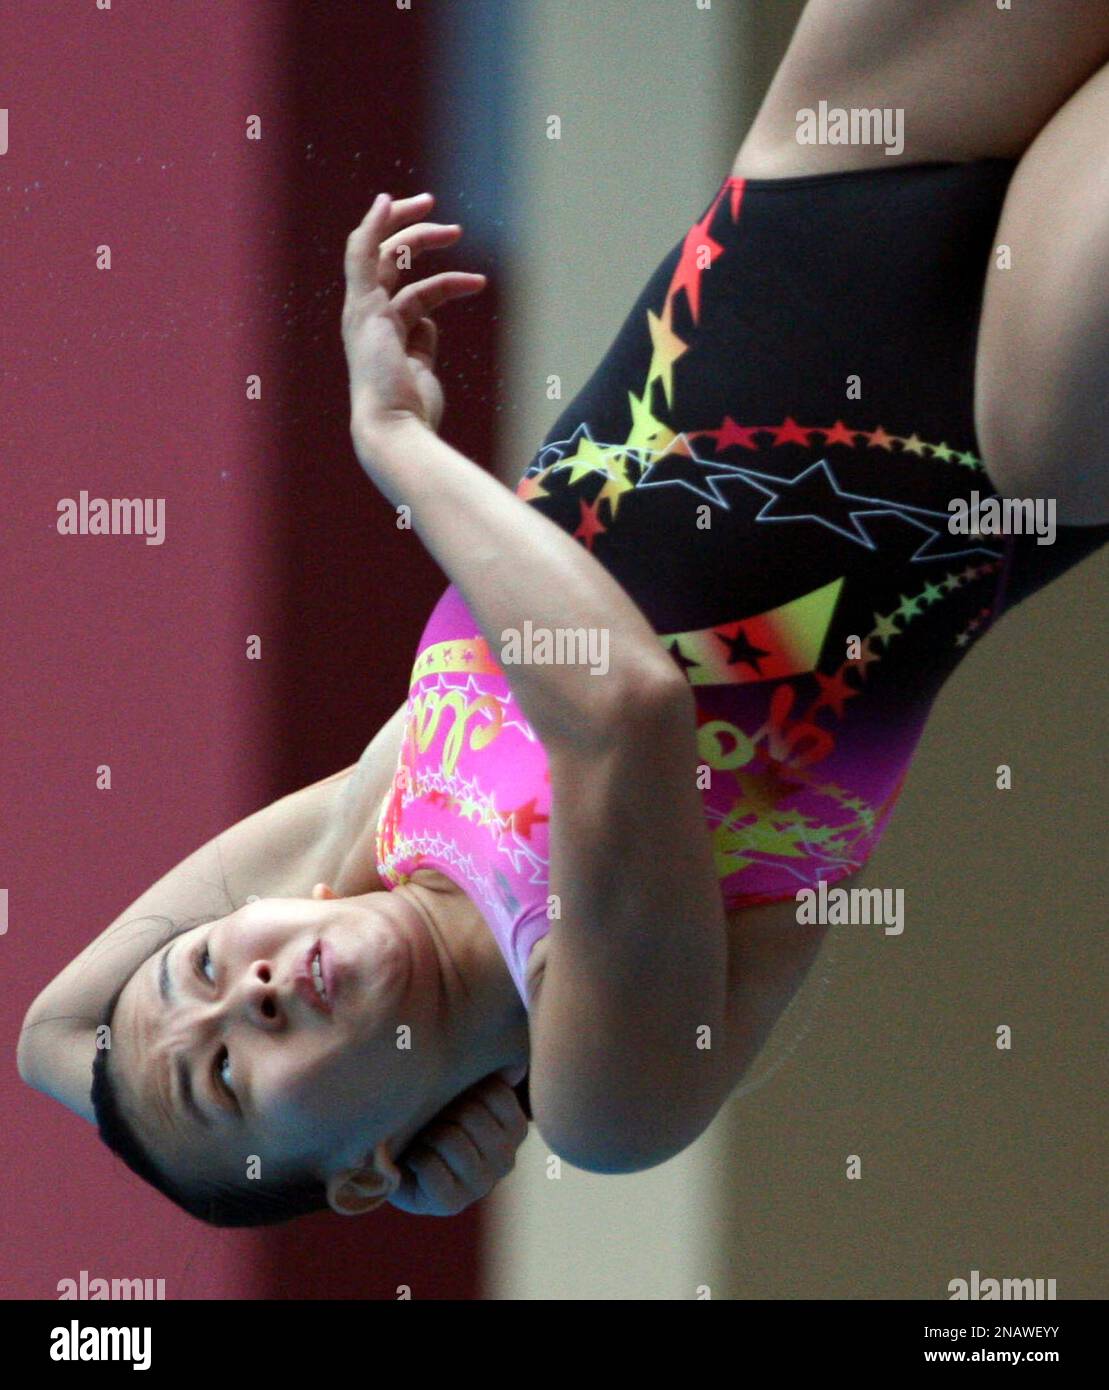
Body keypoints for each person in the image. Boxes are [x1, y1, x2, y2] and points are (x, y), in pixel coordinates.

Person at [19, 0, 1109, 1227]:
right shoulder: (602, 1091)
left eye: (207, 961)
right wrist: (393, 443)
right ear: (358, 1170)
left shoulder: (378, 815)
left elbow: (47, 1037)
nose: (245, 994)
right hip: (1017, 424)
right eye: (225, 1078)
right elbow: (621, 709)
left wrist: (393, 1129)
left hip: (825, 167)